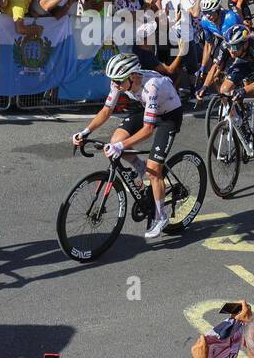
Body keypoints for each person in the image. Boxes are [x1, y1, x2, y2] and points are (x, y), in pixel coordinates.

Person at [71, 53, 184, 240]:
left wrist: (121, 146)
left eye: (118, 81)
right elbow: (107, 110)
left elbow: (148, 129)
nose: (115, 85)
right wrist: (85, 132)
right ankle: (140, 170)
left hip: (169, 114)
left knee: (154, 169)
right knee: (115, 143)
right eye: (113, 81)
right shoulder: (121, 82)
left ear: (132, 77)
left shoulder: (151, 86)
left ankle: (161, 216)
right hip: (146, 107)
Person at [203, 24, 254, 174]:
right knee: (225, 90)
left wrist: (243, 90)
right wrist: (204, 87)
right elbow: (215, 67)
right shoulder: (229, 47)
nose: (232, 50)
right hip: (244, 62)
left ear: (245, 44)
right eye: (230, 46)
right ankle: (237, 120)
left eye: (236, 47)